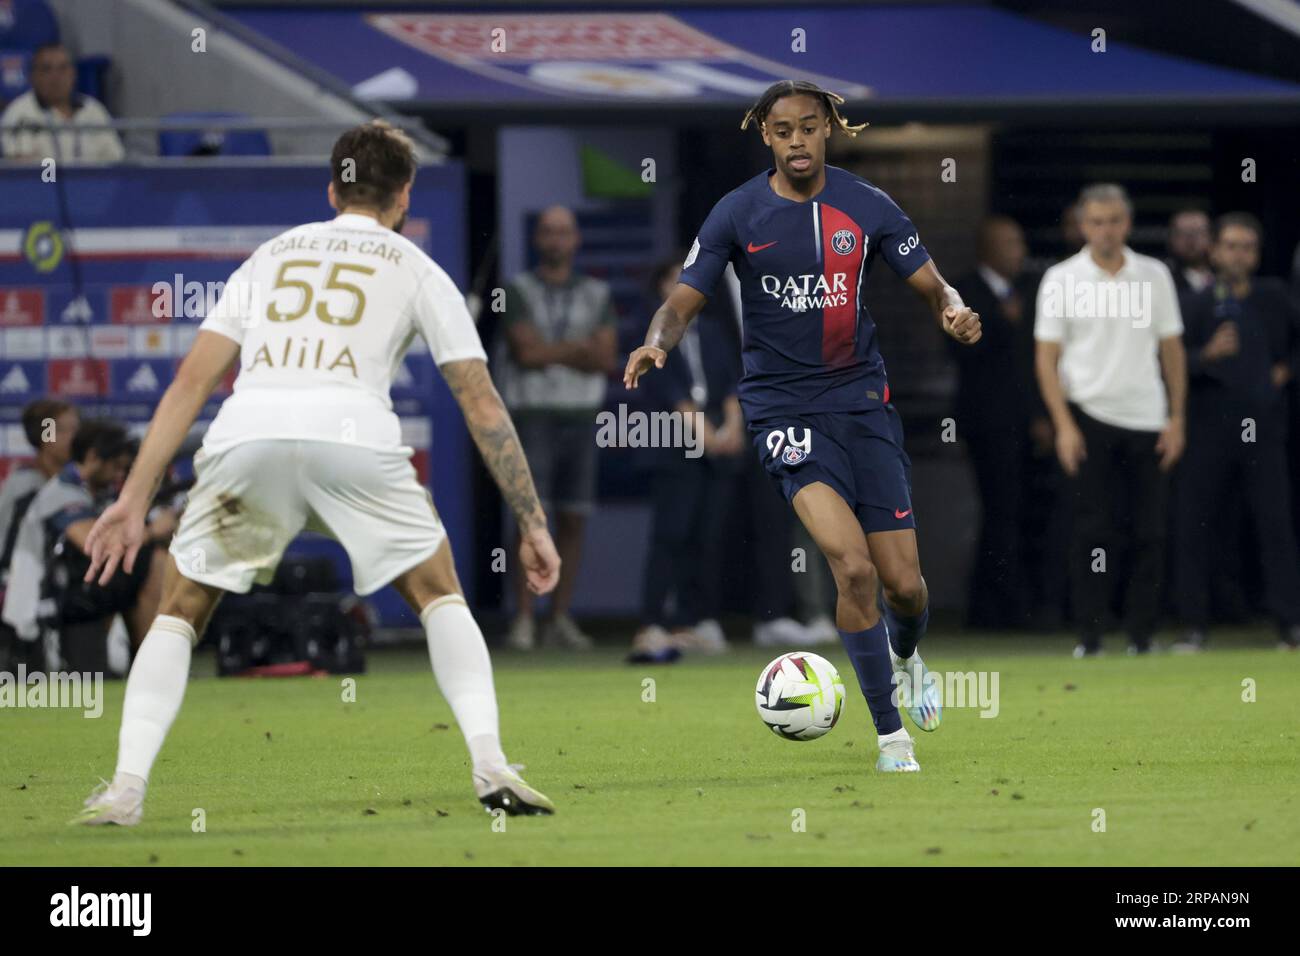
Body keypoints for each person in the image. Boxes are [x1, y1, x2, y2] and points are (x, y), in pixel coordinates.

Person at [74, 120, 562, 826]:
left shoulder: (269, 256)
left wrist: (130, 499)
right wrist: (532, 521)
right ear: (405, 194)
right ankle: (490, 762)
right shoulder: (418, 267)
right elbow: (480, 402)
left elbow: (189, 380)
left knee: (180, 609)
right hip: (353, 438)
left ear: (333, 189)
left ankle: (125, 789)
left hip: (252, 434)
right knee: (438, 593)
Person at [625, 80, 982, 773]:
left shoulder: (866, 204)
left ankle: (906, 656)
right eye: (783, 130)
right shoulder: (737, 213)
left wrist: (953, 311)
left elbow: (935, 285)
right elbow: (681, 300)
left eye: (809, 128)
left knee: (904, 585)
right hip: (783, 410)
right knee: (851, 568)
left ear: (828, 131)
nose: (796, 141)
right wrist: (657, 342)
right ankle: (891, 739)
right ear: (766, 135)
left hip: (862, 407)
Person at [1034, 183, 1187, 657]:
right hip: (1088, 416)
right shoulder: (1061, 278)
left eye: (1115, 220)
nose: (1106, 230)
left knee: (1150, 532)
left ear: (1128, 222)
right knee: (1092, 533)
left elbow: (1172, 350)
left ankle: (1141, 636)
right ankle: (1092, 637)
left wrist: (1177, 418)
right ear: (1082, 225)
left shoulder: (1154, 275)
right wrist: (1063, 424)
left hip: (1147, 416)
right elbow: (1047, 357)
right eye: (1097, 221)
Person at [1174, 212, 1300, 651]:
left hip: (1264, 428)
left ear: (1258, 254)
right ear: (1214, 250)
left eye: (1247, 246)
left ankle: (1288, 624)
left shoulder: (1275, 295)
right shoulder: (1195, 303)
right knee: (1194, 523)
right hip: (1209, 425)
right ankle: (1193, 626)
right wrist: (1205, 355)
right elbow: (1170, 362)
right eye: (1230, 245)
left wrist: (1286, 370)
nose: (1238, 254)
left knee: (1275, 524)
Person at [497, 206, 617, 651]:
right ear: (537, 239)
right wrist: (578, 349)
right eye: (548, 232)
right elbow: (526, 354)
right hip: (532, 415)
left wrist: (554, 350)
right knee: (532, 518)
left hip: (582, 415)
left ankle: (560, 617)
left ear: (576, 239)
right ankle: (525, 620)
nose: (555, 240)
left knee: (573, 515)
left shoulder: (596, 292)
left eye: (564, 232)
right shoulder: (516, 289)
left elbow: (606, 359)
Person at [630, 260, 744, 662]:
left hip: (717, 450)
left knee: (707, 536)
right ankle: (652, 623)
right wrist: (706, 436)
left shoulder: (714, 333)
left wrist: (732, 428)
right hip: (673, 447)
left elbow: (732, 386)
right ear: (661, 288)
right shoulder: (651, 336)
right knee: (671, 535)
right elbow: (672, 393)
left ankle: (694, 620)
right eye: (674, 279)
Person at [950, 216, 1044, 629]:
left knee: (1022, 511)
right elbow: (962, 352)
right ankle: (994, 609)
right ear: (987, 248)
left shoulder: (1030, 290)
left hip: (1028, 423)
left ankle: (1019, 602)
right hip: (987, 424)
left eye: (1020, 242)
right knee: (998, 512)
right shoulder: (963, 291)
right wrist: (1000, 321)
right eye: (1009, 243)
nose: (1018, 251)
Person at [1, 419, 155, 670]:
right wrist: (151, 531)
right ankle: (152, 665)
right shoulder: (62, 491)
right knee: (147, 561)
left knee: (141, 566)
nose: (118, 476)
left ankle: (148, 662)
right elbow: (93, 544)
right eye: (115, 467)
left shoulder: (92, 492)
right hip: (40, 596)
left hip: (72, 593)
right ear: (94, 457)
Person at [0, 398, 78, 671]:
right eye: (67, 430)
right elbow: (9, 550)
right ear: (46, 436)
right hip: (20, 583)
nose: (74, 437)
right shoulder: (23, 484)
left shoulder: (75, 484)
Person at [0, 43, 124, 163]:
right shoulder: (19, 113)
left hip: (94, 182)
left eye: (63, 68)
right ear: (33, 76)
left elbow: (115, 159)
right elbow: (22, 170)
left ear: (73, 74)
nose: (56, 76)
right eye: (47, 69)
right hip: (43, 183)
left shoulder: (93, 109)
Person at [1165, 209, 1215, 299]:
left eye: (1198, 233)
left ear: (1210, 237)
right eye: (1183, 233)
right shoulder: (1164, 276)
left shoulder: (1223, 275)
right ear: (1172, 238)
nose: (1191, 241)